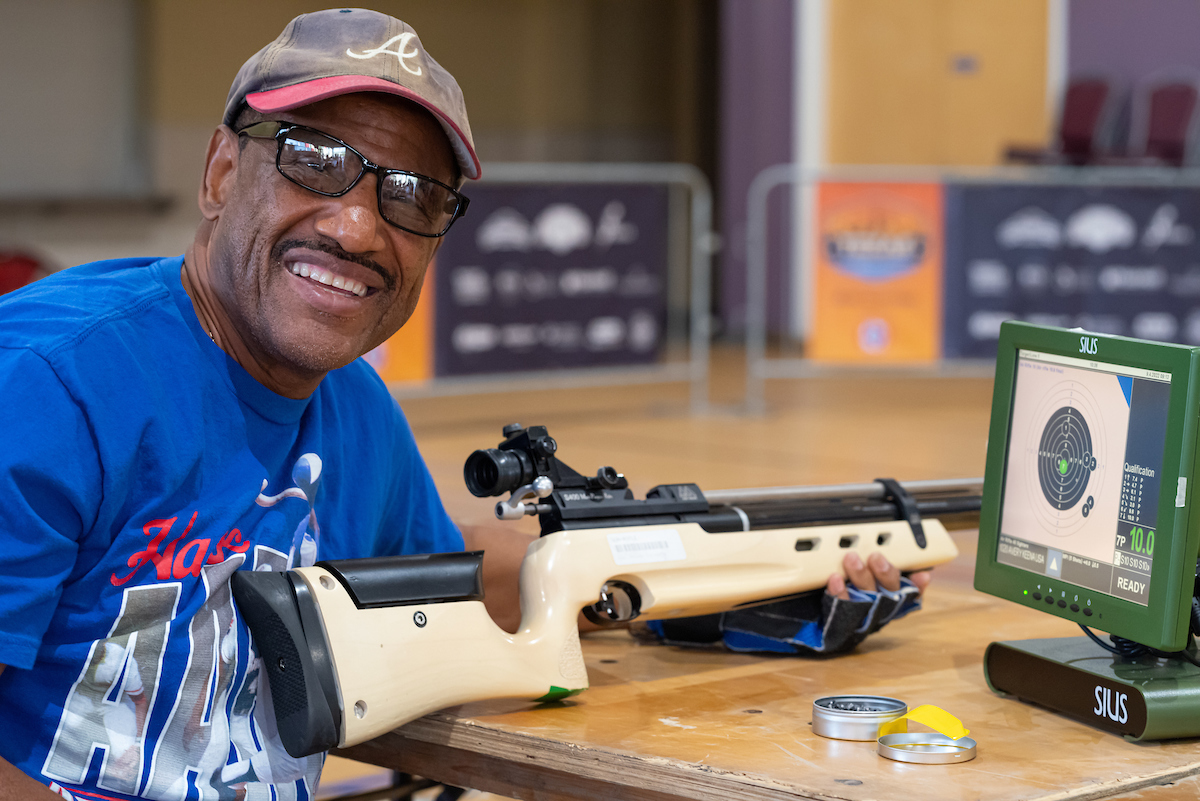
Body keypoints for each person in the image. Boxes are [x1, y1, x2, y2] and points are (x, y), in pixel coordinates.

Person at [0, 9, 922, 801]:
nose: (359, 225)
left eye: (412, 195)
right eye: (316, 160)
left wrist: (764, 579)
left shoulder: (352, 408)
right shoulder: (47, 382)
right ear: (218, 174)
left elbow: (460, 572)